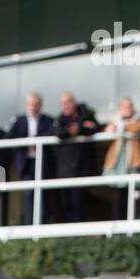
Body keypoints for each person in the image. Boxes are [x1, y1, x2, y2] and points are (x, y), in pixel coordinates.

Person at [53, 92, 103, 222]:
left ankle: (79, 234)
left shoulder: (87, 114)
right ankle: (70, 234)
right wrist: (71, 130)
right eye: (63, 103)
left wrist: (79, 128)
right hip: (65, 169)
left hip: (82, 166)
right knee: (66, 201)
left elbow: (95, 128)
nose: (65, 106)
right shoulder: (59, 119)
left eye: (68, 102)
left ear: (74, 103)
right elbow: (58, 133)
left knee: (79, 200)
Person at [8, 93, 54, 225]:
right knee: (28, 195)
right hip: (26, 164)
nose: (33, 107)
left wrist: (36, 139)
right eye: (30, 104)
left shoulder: (48, 120)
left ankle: (42, 227)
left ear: (40, 105)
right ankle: (29, 228)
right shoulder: (19, 120)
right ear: (26, 105)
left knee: (43, 196)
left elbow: (51, 134)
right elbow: (10, 137)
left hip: (43, 163)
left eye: (35, 104)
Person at [101, 98, 140, 219]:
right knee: (117, 198)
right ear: (120, 109)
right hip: (117, 165)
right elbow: (106, 135)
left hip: (133, 164)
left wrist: (122, 127)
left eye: (129, 106)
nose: (127, 109)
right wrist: (115, 127)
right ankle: (117, 228)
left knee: (134, 197)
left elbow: (138, 127)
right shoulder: (114, 121)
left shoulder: (139, 119)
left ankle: (135, 228)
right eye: (124, 106)